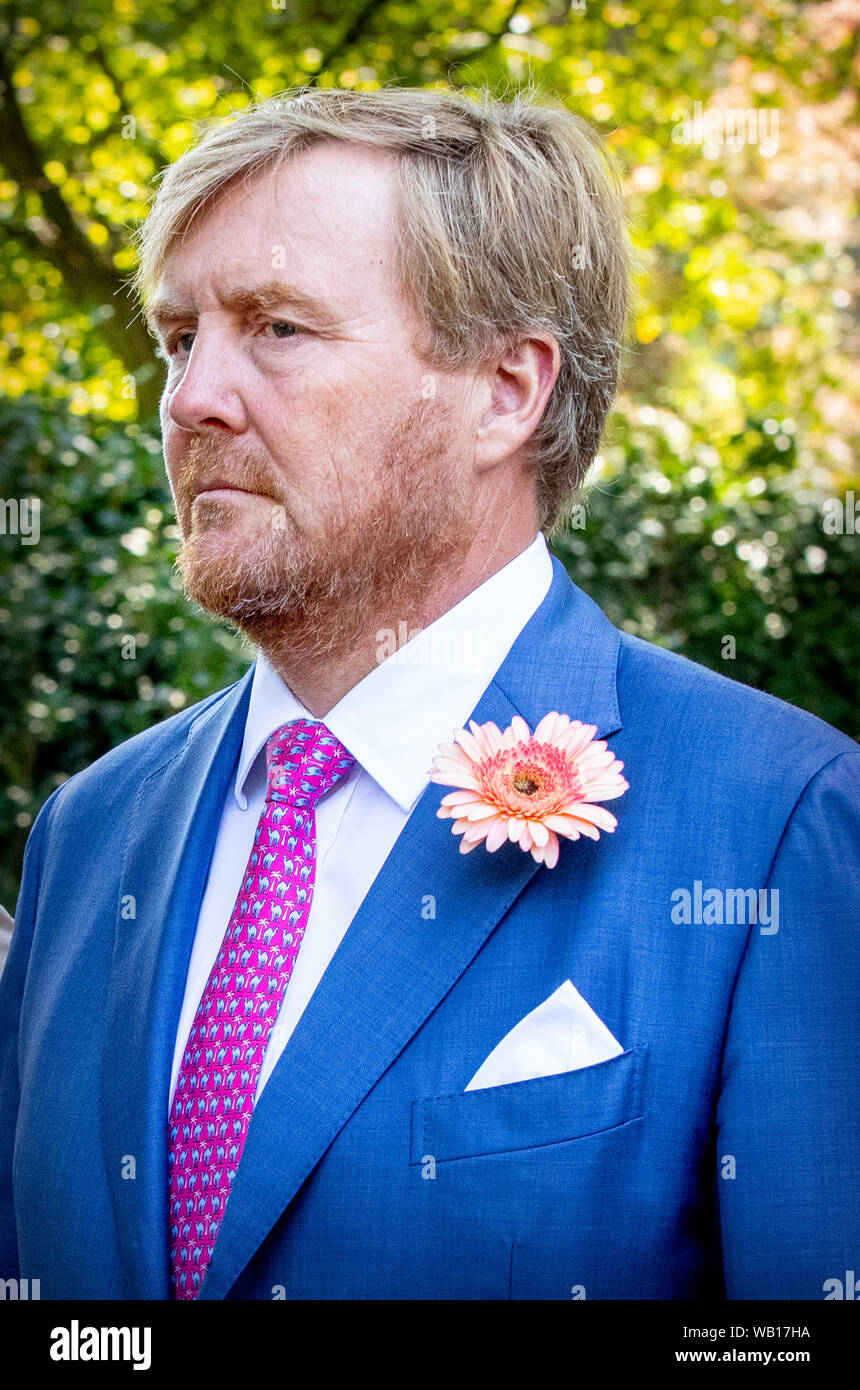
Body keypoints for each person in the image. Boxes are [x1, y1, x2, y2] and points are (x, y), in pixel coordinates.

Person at [1, 86, 857, 1301]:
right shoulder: (86, 836)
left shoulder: (774, 824)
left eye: (279, 328)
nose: (191, 399)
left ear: (504, 390)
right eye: (179, 337)